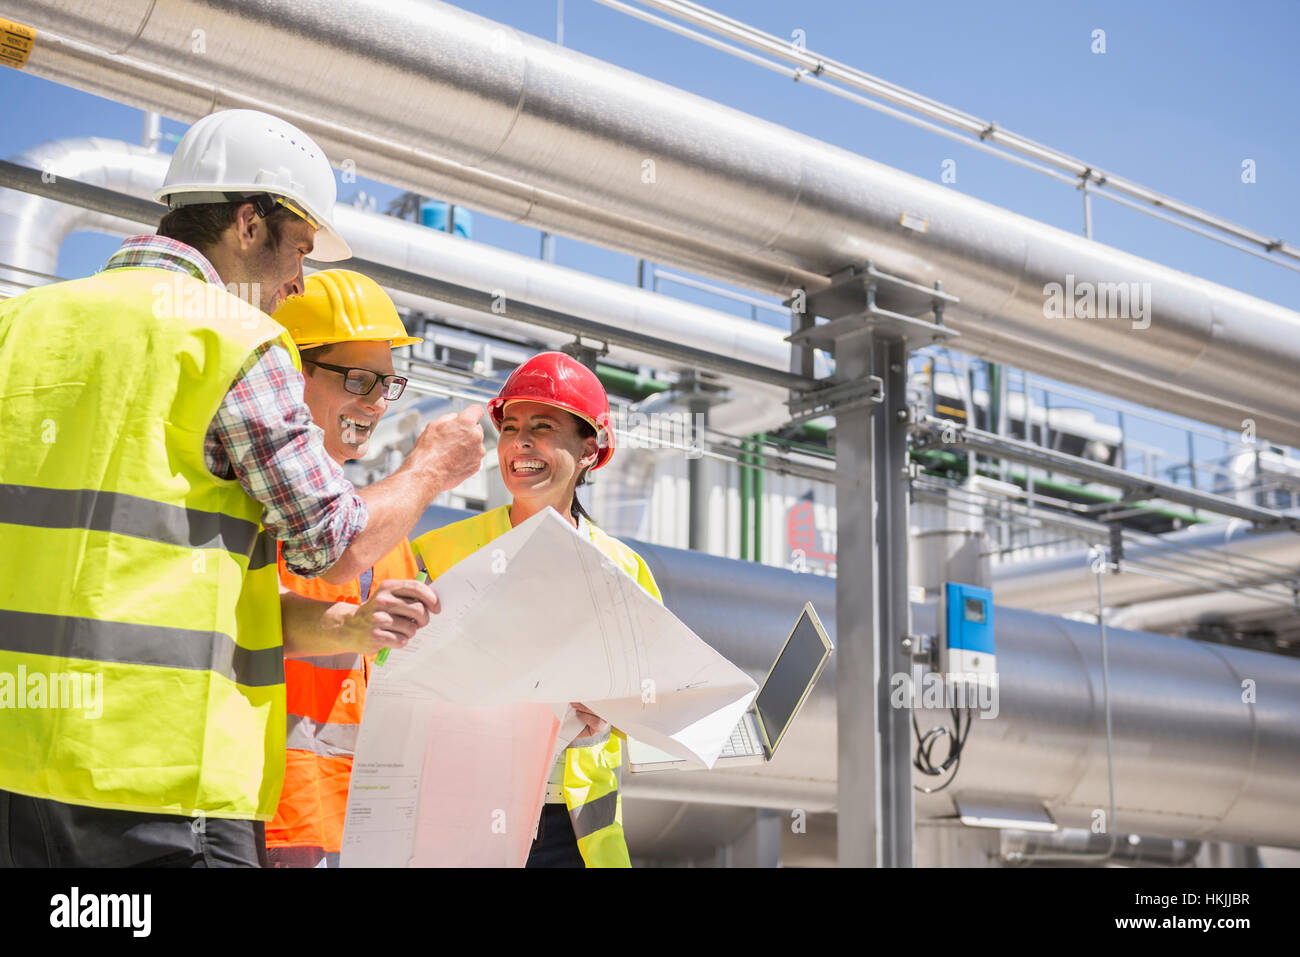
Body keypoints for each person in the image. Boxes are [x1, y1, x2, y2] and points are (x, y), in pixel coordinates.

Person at [0, 109, 484, 867]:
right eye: (297, 248)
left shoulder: (17, 324)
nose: (298, 281)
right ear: (249, 224)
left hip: (18, 774)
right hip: (164, 777)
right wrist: (431, 468)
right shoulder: (231, 337)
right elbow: (335, 545)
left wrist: (347, 630)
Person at [411, 351, 661, 868]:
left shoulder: (624, 569)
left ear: (590, 450)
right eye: (511, 427)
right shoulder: (438, 554)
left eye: (543, 427)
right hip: (467, 822)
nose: (520, 442)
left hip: (577, 834)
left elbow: (655, 704)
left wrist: (618, 711)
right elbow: (393, 681)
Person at [265, 269, 435, 868]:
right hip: (260, 811)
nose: (377, 403)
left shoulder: (385, 529)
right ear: (290, 371)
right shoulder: (249, 502)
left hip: (354, 822)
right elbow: (255, 623)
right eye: (360, 380)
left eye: (388, 384)